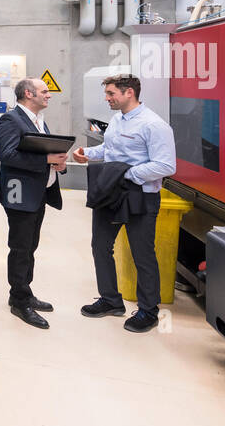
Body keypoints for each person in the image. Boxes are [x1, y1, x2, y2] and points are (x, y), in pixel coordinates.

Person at [73, 74, 177, 332]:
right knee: (100, 245)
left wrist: (126, 173)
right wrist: (88, 154)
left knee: (142, 254)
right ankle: (110, 300)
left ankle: (149, 311)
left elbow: (166, 165)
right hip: (112, 191)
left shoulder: (154, 125)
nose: (107, 99)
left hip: (140, 195)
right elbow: (110, 151)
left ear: (129, 92)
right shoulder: (117, 120)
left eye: (111, 94)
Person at [0, 77, 68, 329]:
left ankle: (25, 292)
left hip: (38, 193)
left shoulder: (38, 121)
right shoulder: (10, 120)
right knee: (20, 247)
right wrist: (47, 159)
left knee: (31, 246)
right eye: (44, 91)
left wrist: (58, 163)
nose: (49, 95)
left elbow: (39, 152)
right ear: (28, 93)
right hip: (20, 194)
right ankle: (18, 301)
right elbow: (9, 155)